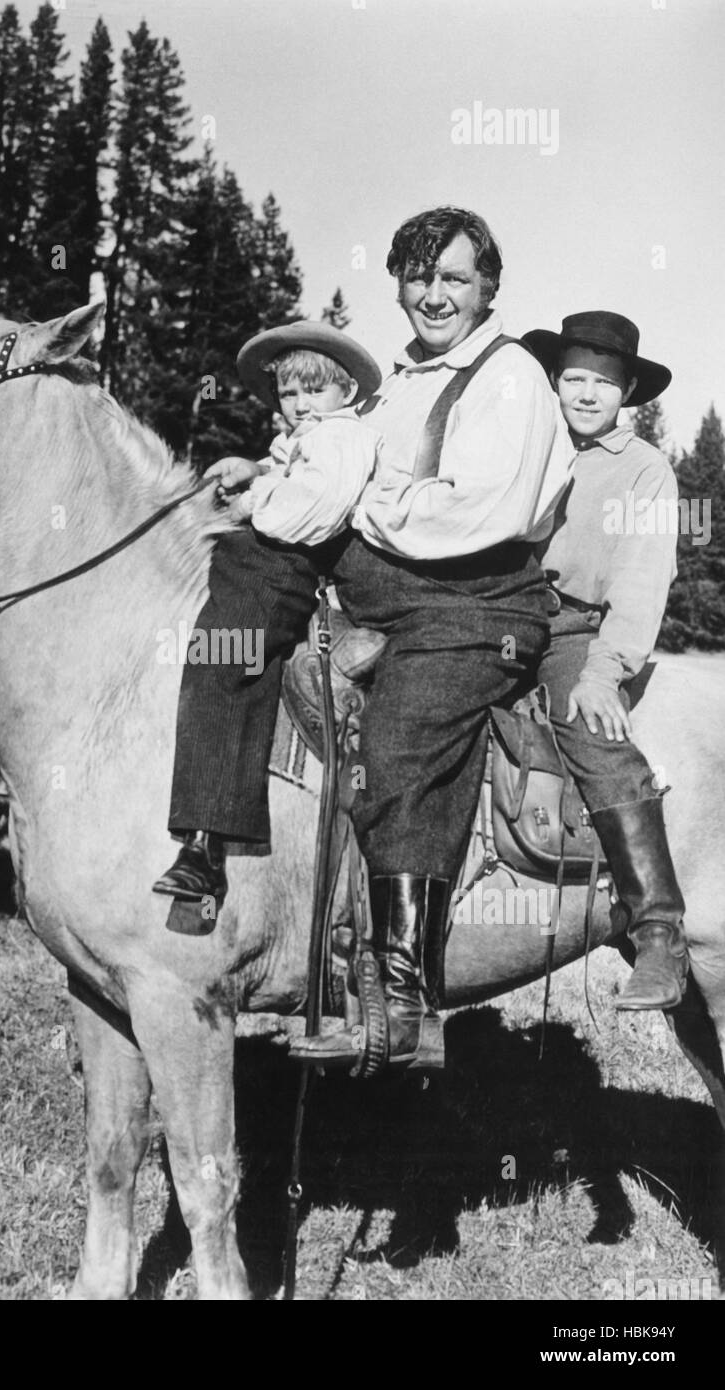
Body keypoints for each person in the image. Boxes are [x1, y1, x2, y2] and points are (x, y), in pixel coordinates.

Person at [159, 207, 574, 1070]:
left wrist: (356, 506)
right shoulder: (389, 386)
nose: (434, 295)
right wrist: (268, 473)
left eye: (454, 279)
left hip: (479, 600)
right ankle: (204, 836)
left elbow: (475, 512)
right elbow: (329, 460)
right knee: (242, 591)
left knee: (404, 733)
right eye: (419, 278)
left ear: (487, 287)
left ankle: (401, 994)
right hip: (390, 581)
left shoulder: (511, 379)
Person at [153, 321, 383, 899]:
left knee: (224, 658)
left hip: (286, 566)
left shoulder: (344, 439)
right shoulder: (306, 439)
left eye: (315, 390)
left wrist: (253, 497)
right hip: (255, 558)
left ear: (346, 393)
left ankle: (204, 845)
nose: (300, 404)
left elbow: (306, 513)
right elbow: (287, 476)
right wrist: (254, 469)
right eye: (289, 393)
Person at [521, 311, 687, 1010]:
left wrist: (601, 671)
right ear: (555, 383)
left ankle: (657, 933)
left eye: (605, 383)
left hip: (572, 630)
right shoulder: (528, 444)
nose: (587, 395)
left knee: (594, 736)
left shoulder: (645, 470)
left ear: (627, 395)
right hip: (496, 614)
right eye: (574, 379)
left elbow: (644, 579)